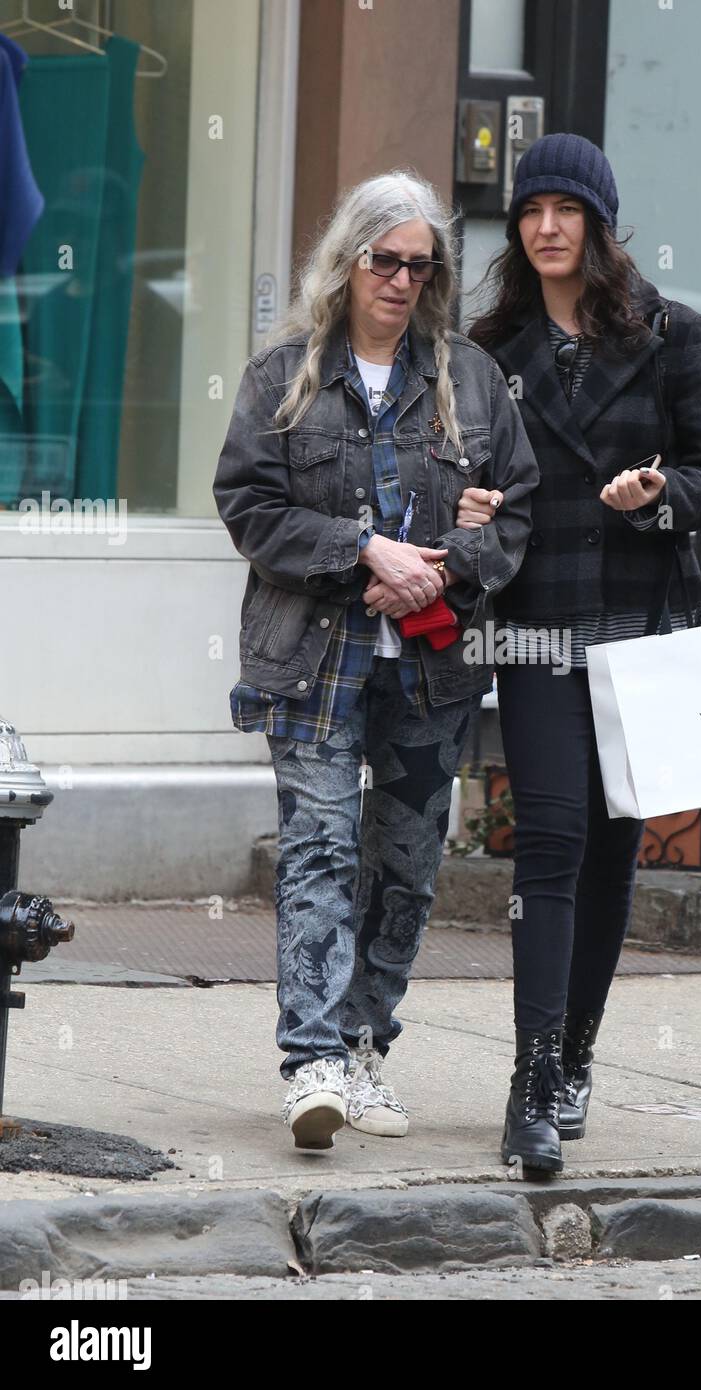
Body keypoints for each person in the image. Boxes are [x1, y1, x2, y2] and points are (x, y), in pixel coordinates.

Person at [213, 170, 537, 1151]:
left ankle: (363, 1046)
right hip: (313, 651)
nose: (399, 280)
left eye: (417, 265)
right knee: (319, 846)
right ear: (348, 262)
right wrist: (362, 549)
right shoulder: (285, 378)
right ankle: (311, 1061)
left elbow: (512, 505)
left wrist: (445, 567)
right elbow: (250, 506)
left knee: (404, 863)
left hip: (428, 660)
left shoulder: (470, 381)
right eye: (382, 260)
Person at [464, 133, 701, 1172]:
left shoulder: (675, 337)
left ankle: (577, 1053)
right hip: (538, 626)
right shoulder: (490, 350)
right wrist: (470, 504)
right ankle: (530, 1085)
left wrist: (661, 494)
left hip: (637, 626)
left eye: (565, 211)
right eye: (530, 210)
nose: (545, 227)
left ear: (598, 225)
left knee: (614, 849)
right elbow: (466, 474)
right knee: (549, 841)